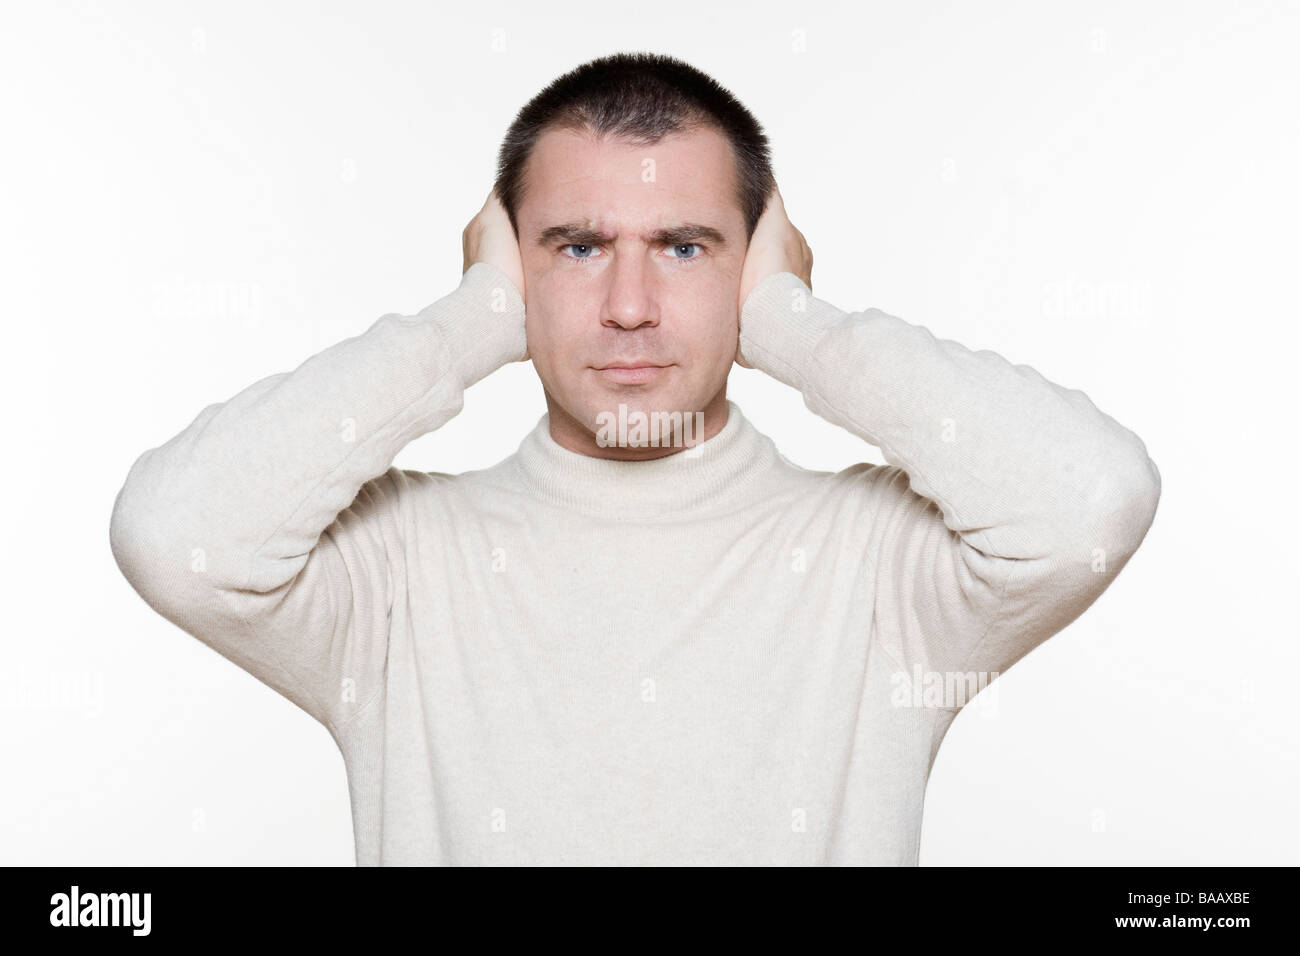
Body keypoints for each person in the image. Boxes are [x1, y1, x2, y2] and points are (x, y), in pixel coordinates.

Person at [109, 52, 1161, 865]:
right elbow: (177, 536)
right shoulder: (395, 569)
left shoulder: (875, 563)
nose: (627, 306)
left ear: (754, 268)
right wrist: (465, 325)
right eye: (575, 247)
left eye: (685, 247)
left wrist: (795, 325)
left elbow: (1089, 500)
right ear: (505, 266)